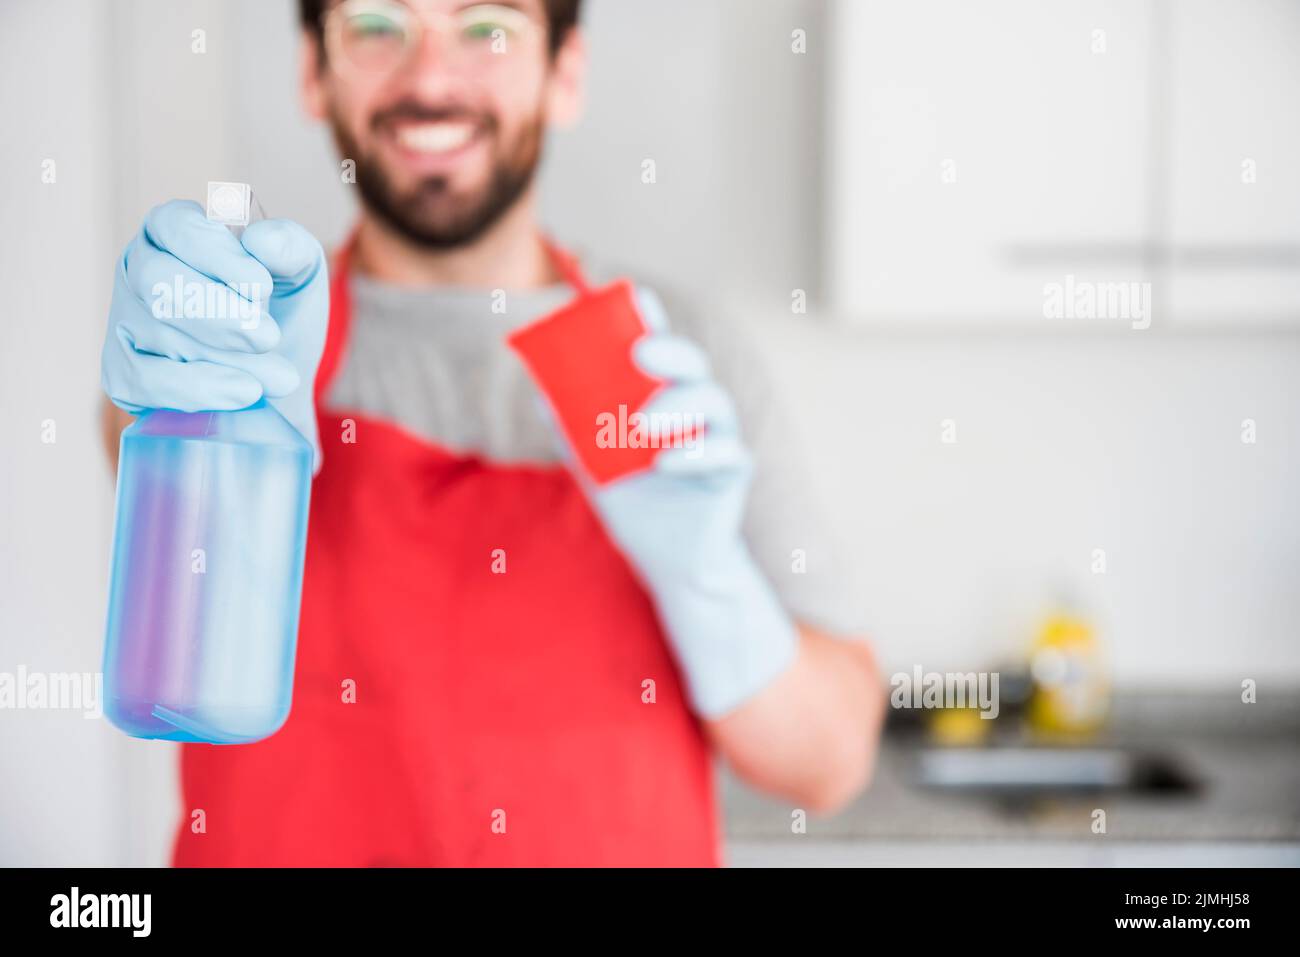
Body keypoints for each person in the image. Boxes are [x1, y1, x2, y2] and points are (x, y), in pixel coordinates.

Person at [100, 0, 884, 867]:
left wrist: (708, 583)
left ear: (566, 72)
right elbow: (173, 616)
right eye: (375, 26)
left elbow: (830, 763)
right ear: (313, 74)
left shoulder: (674, 353)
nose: (431, 78)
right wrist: (196, 423)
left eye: (488, 26)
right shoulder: (242, 342)